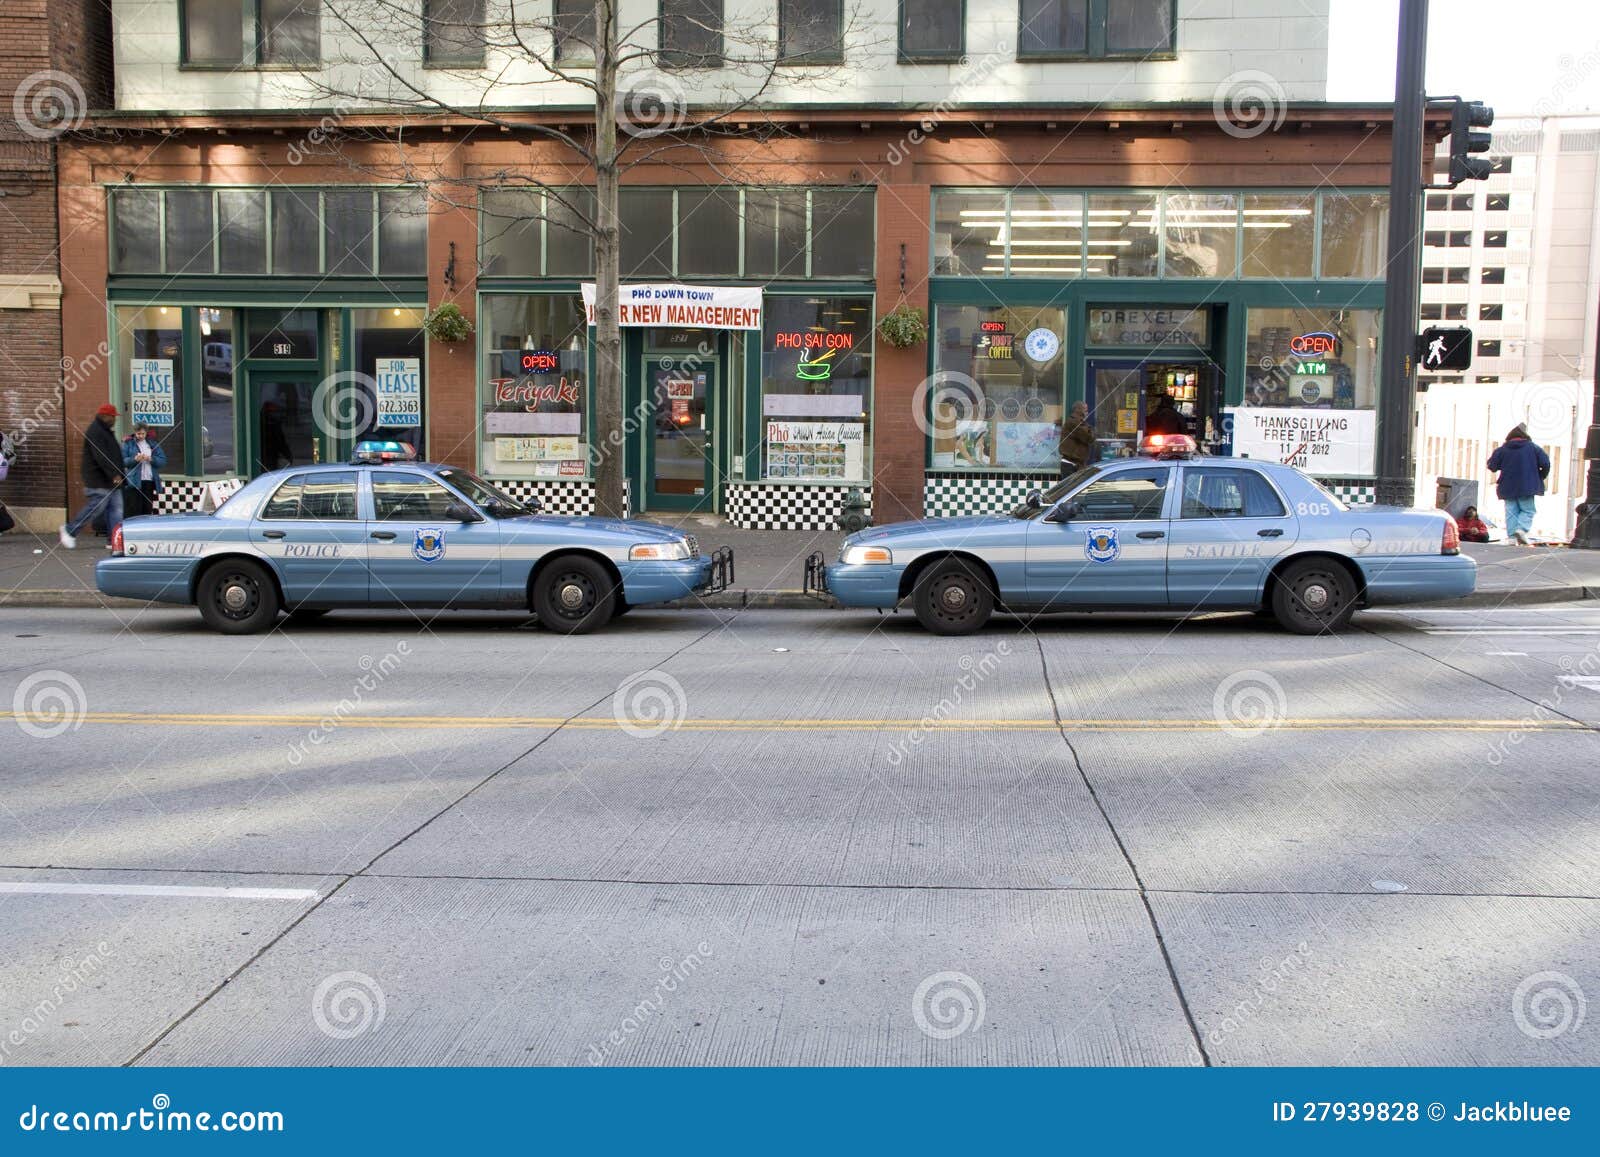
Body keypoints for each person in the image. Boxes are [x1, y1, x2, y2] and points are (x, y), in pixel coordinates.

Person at [59, 404, 124, 549]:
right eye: (113, 417)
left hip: (109, 479)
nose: (115, 420)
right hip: (99, 479)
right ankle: (70, 530)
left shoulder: (104, 430)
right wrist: (114, 474)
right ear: (106, 417)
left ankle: (113, 540)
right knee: (96, 508)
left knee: (116, 510)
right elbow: (101, 456)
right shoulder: (96, 431)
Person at [1486, 424, 1550, 545]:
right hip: (1527, 486)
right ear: (1525, 436)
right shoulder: (1533, 448)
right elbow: (1545, 463)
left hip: (1507, 486)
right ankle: (1521, 529)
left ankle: (1511, 537)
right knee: (1528, 510)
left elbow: (1491, 466)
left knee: (1511, 511)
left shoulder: (1503, 449)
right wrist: (1540, 476)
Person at [122, 422, 167, 519]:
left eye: (143, 433)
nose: (141, 436)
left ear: (146, 433)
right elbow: (123, 461)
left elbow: (162, 460)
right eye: (138, 434)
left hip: (149, 480)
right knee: (133, 509)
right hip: (133, 481)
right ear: (135, 433)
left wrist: (151, 459)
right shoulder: (128, 443)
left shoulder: (152, 443)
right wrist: (135, 459)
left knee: (147, 509)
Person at [1058, 401, 1096, 476]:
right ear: (1079, 410)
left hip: (1076, 465)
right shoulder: (1074, 422)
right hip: (1070, 465)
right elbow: (1089, 437)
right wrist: (1090, 430)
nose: (1087, 412)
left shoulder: (1078, 422)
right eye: (1085, 410)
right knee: (1071, 487)